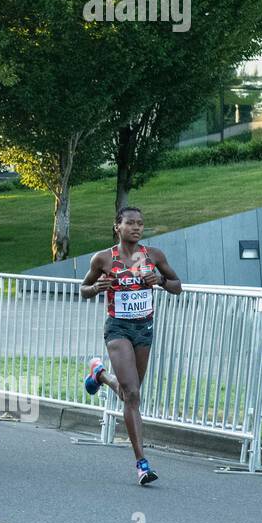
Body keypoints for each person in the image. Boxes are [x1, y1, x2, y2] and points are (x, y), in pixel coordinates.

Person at [80, 206, 182, 486]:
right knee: (133, 393)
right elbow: (84, 289)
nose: (136, 228)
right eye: (130, 223)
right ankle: (142, 464)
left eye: (140, 224)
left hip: (144, 329)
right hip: (118, 328)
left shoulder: (152, 256)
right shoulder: (103, 259)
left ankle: (99, 375)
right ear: (118, 226)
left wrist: (160, 280)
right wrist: (97, 288)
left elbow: (177, 285)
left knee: (130, 395)